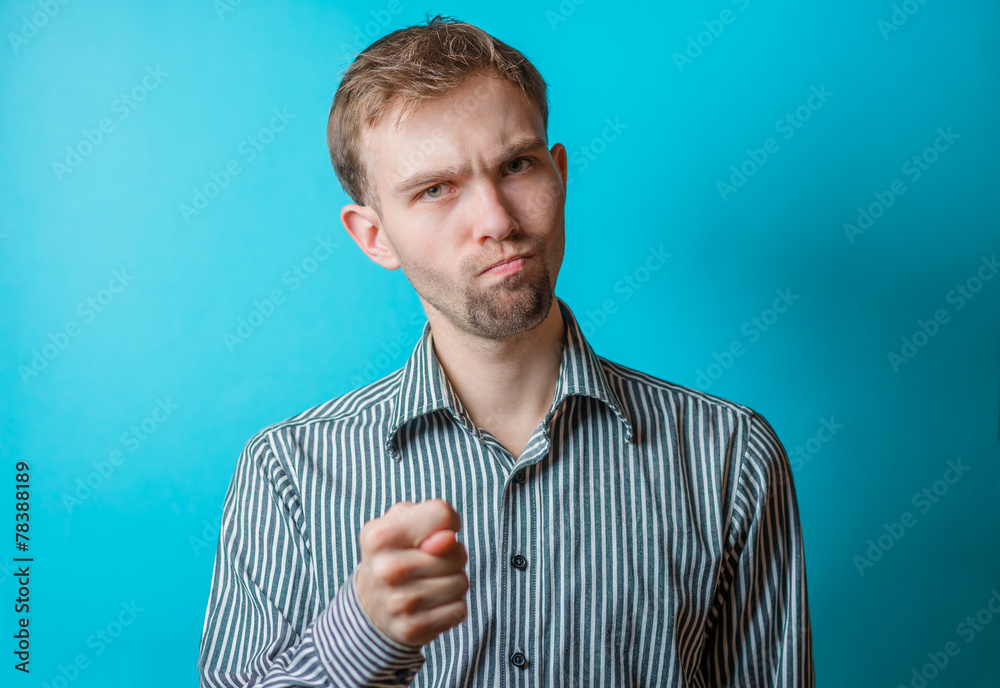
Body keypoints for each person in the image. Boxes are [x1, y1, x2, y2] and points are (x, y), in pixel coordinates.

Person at [198, 14, 814, 687]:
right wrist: (364, 635)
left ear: (559, 174)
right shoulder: (287, 472)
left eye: (516, 165)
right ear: (373, 237)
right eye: (436, 189)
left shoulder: (730, 456)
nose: (496, 220)